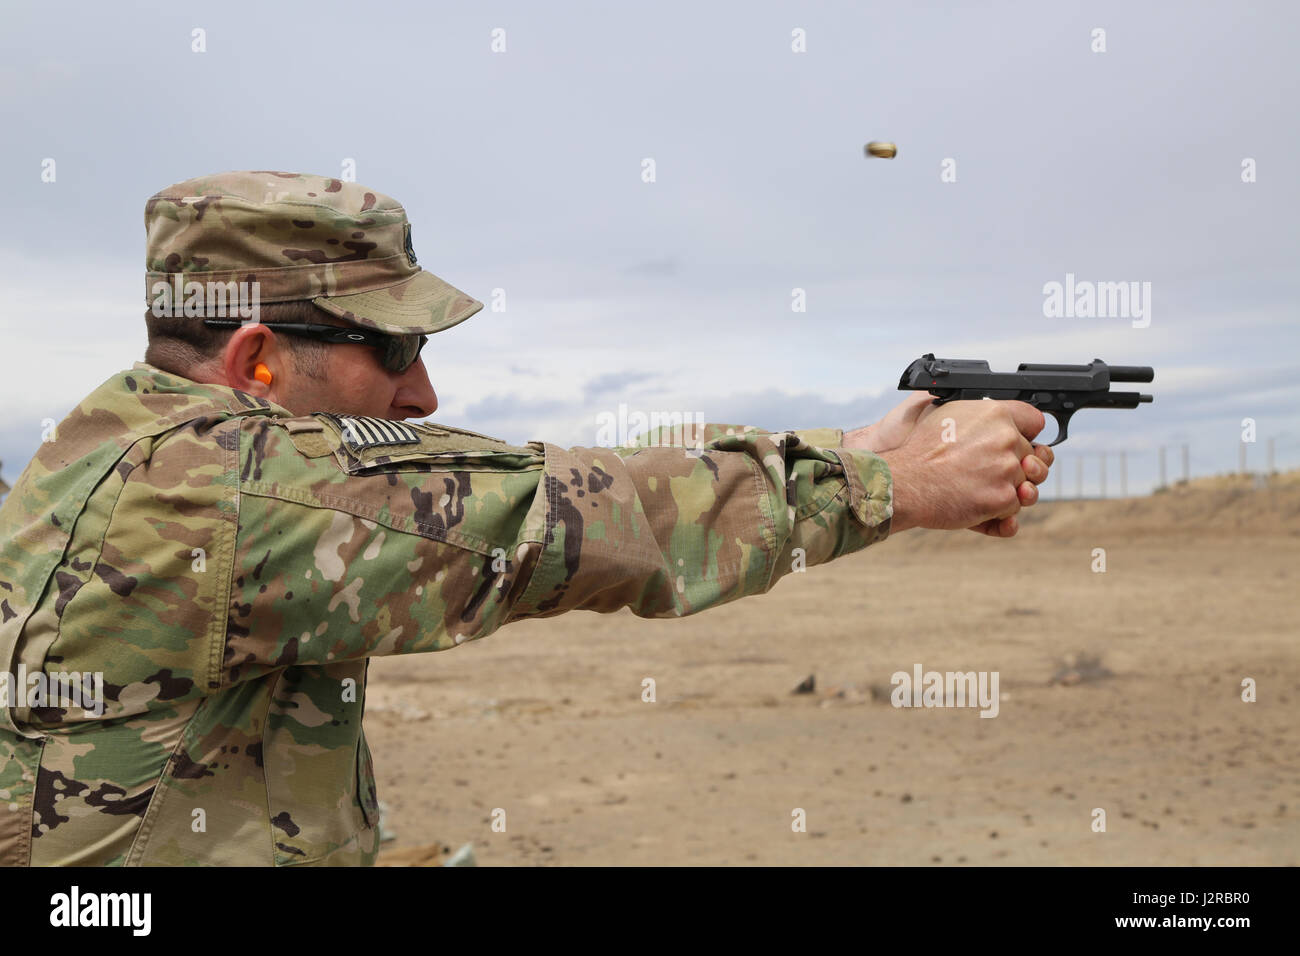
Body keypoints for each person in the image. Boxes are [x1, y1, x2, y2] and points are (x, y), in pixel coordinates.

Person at [0, 171, 1052, 866]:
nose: (422, 396)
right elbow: (566, 517)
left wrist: (857, 450)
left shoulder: (116, 448)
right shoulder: (220, 491)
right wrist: (899, 486)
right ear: (256, 358)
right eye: (396, 349)